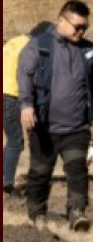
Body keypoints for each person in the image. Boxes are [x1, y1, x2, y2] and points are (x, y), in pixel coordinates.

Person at [17, 0, 93, 231]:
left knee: (77, 171)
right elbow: (24, 75)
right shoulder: (39, 46)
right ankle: (37, 214)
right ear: (61, 21)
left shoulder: (90, 51)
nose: (81, 32)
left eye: (85, 27)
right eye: (77, 27)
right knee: (40, 173)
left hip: (77, 127)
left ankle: (76, 213)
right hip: (44, 127)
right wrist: (26, 105)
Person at [3, 20, 53, 197]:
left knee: (13, 140)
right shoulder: (32, 46)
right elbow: (30, 73)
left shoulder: (13, 41)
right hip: (12, 95)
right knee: (16, 142)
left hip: (5, 93)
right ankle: (6, 185)